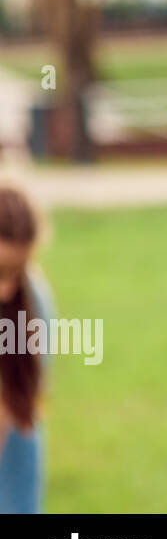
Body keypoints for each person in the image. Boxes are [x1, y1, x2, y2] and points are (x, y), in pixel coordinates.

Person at [0, 184, 56, 514]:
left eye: (16, 271)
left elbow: (18, 396)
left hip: (14, 440)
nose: (6, 290)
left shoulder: (34, 301)